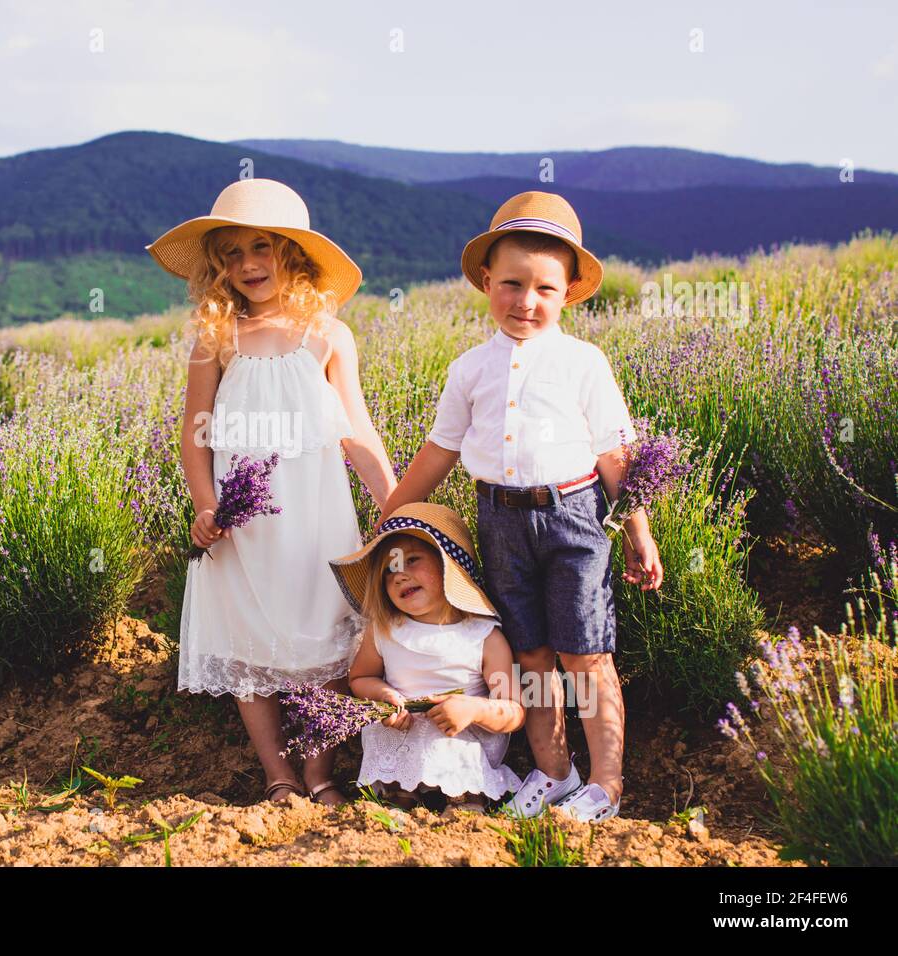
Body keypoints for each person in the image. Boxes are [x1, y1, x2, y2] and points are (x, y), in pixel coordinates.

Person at [377, 192, 664, 822]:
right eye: (510, 284)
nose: (525, 302)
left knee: (586, 654)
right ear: (486, 281)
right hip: (499, 522)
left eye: (544, 289)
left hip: (575, 519)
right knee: (530, 653)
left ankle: (606, 786)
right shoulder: (470, 369)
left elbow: (617, 455)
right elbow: (439, 450)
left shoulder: (584, 363)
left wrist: (641, 532)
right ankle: (555, 771)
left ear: (568, 292)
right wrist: (392, 515)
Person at [147, 178, 396, 806]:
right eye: (230, 253)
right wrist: (206, 506)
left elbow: (357, 433)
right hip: (242, 525)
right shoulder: (217, 340)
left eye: (261, 246)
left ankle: (319, 774)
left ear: (294, 254)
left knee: (325, 637)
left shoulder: (328, 338)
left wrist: (397, 510)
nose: (246, 264)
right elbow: (195, 435)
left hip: (317, 520)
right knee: (249, 643)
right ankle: (277, 776)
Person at [331, 503, 524, 812]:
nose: (399, 575)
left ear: (450, 566)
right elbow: (360, 678)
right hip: (404, 728)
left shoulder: (484, 637)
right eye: (388, 571)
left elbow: (513, 710)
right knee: (387, 738)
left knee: (453, 748)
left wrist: (473, 709)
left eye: (412, 560)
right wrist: (384, 695)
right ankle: (401, 796)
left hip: (462, 734)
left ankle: (464, 801)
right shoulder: (385, 631)